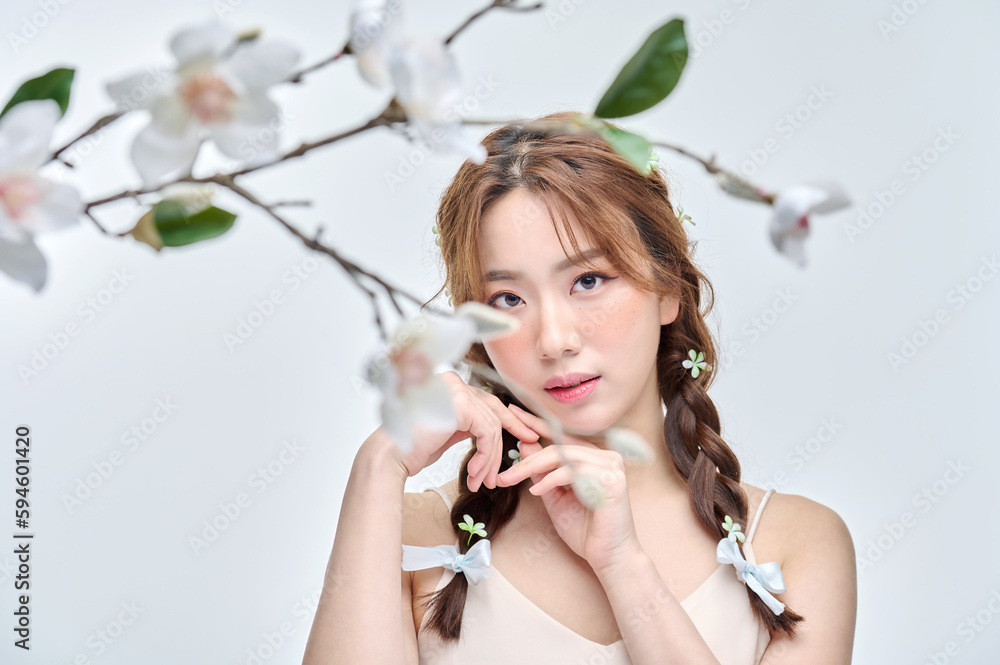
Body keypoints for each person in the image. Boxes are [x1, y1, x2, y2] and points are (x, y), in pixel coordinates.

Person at [301, 111, 857, 665]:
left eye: (589, 281)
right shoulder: (414, 535)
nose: (555, 339)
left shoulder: (795, 541)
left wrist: (624, 567)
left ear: (668, 290)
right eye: (508, 299)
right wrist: (379, 464)